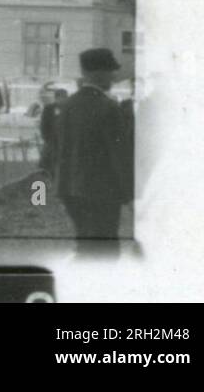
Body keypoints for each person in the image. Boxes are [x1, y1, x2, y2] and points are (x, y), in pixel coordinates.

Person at [55, 48, 133, 256]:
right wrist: (130, 195)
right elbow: (120, 156)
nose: (114, 76)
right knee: (105, 251)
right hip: (102, 193)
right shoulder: (109, 108)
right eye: (109, 71)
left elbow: (57, 148)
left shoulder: (67, 106)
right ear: (96, 73)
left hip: (70, 190)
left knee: (85, 246)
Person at [38, 87, 69, 176]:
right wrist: (48, 140)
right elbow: (44, 126)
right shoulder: (49, 109)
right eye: (62, 97)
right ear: (57, 98)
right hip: (51, 143)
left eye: (66, 97)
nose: (64, 100)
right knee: (48, 165)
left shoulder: (69, 109)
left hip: (65, 143)